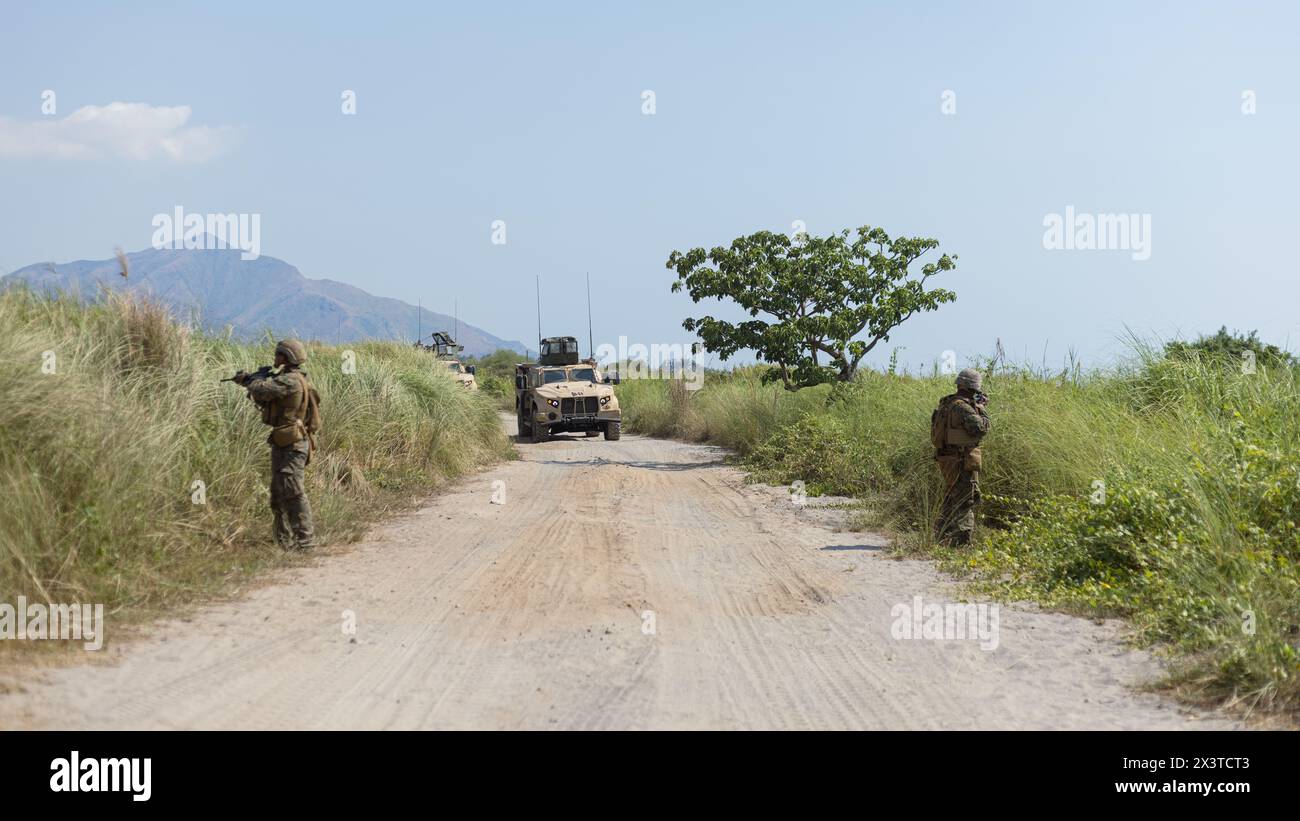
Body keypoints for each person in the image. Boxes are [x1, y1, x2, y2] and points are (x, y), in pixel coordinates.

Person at [233, 339, 318, 550]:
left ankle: (305, 541)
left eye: (278, 354)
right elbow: (265, 396)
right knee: (278, 493)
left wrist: (249, 380)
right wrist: (252, 380)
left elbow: (262, 391)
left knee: (294, 490)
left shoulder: (291, 381)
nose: (275, 358)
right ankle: (284, 541)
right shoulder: (287, 378)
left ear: (286, 357)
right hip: (284, 441)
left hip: (293, 443)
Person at [931, 368, 990, 546]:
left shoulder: (946, 403)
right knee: (966, 499)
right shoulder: (964, 407)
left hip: (947, 459)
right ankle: (962, 542)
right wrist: (981, 408)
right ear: (973, 388)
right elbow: (981, 428)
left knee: (951, 497)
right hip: (961, 460)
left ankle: (941, 536)